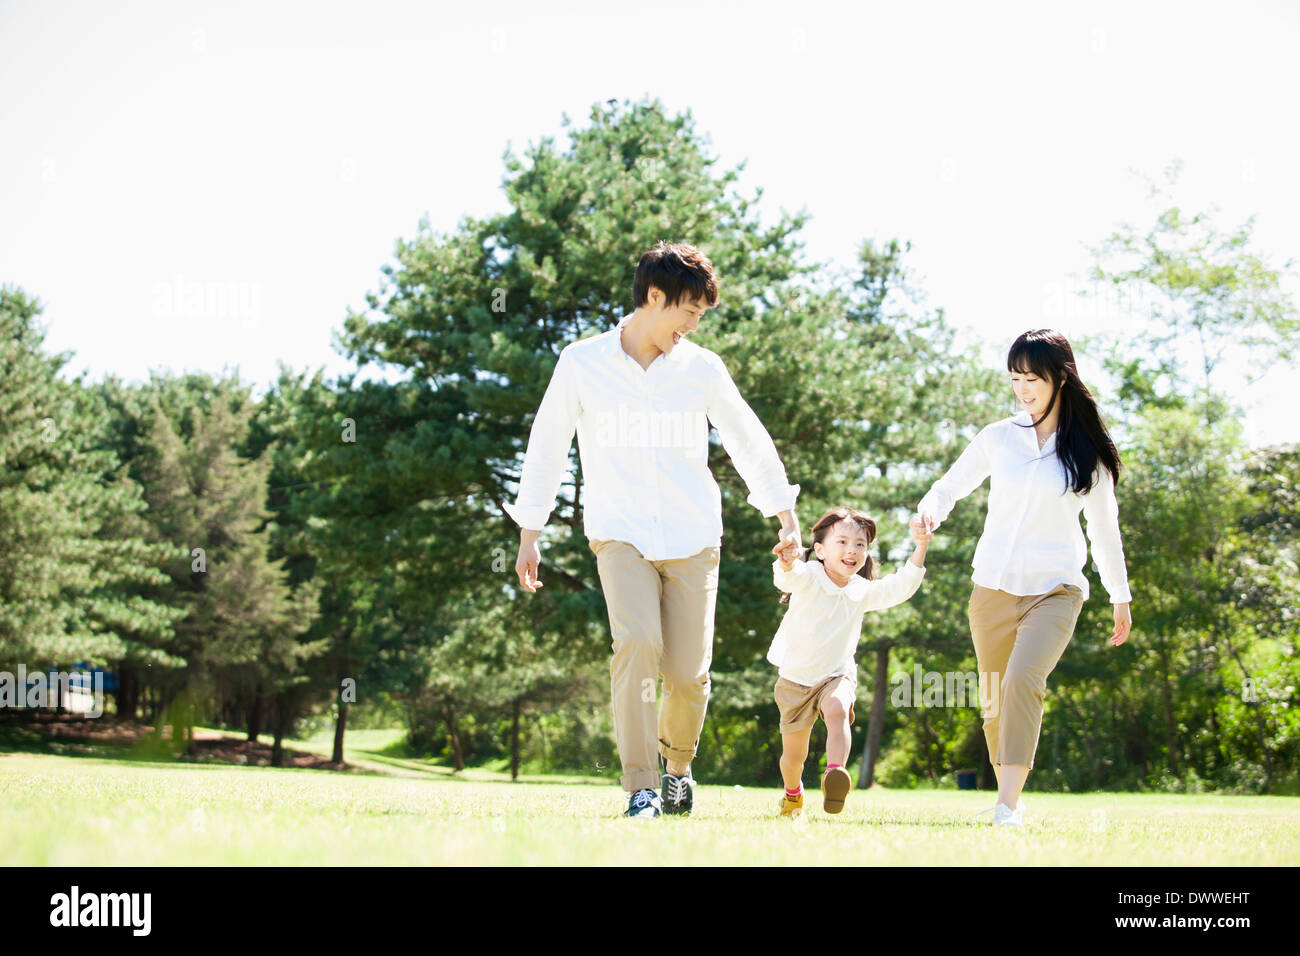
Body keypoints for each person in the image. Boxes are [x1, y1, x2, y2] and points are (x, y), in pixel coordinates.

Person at [505, 241, 803, 818]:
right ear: (654, 296)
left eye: (700, 317)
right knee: (636, 644)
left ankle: (677, 768)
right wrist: (530, 531)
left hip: (694, 536)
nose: (692, 326)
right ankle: (640, 785)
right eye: (688, 312)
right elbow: (547, 445)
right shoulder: (581, 362)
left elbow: (746, 436)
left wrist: (783, 513)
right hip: (620, 533)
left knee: (689, 676)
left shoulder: (701, 368)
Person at [915, 329, 1133, 827]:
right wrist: (929, 512)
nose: (1023, 389)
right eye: (1015, 378)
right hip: (992, 588)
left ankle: (1007, 806)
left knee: (1021, 680)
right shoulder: (998, 437)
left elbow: (1104, 533)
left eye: (1032, 378)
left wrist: (1119, 596)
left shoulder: (1088, 456)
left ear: (1060, 378)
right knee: (993, 700)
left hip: (1056, 591)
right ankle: (1008, 796)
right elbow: (949, 486)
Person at [768, 507, 930, 817]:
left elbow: (900, 588)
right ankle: (792, 793)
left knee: (838, 708)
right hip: (795, 680)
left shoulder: (861, 590)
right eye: (842, 542)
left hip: (836, 674)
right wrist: (786, 559)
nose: (852, 550)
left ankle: (835, 773)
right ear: (819, 550)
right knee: (793, 757)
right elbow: (787, 577)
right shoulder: (809, 576)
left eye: (860, 544)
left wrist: (921, 546)